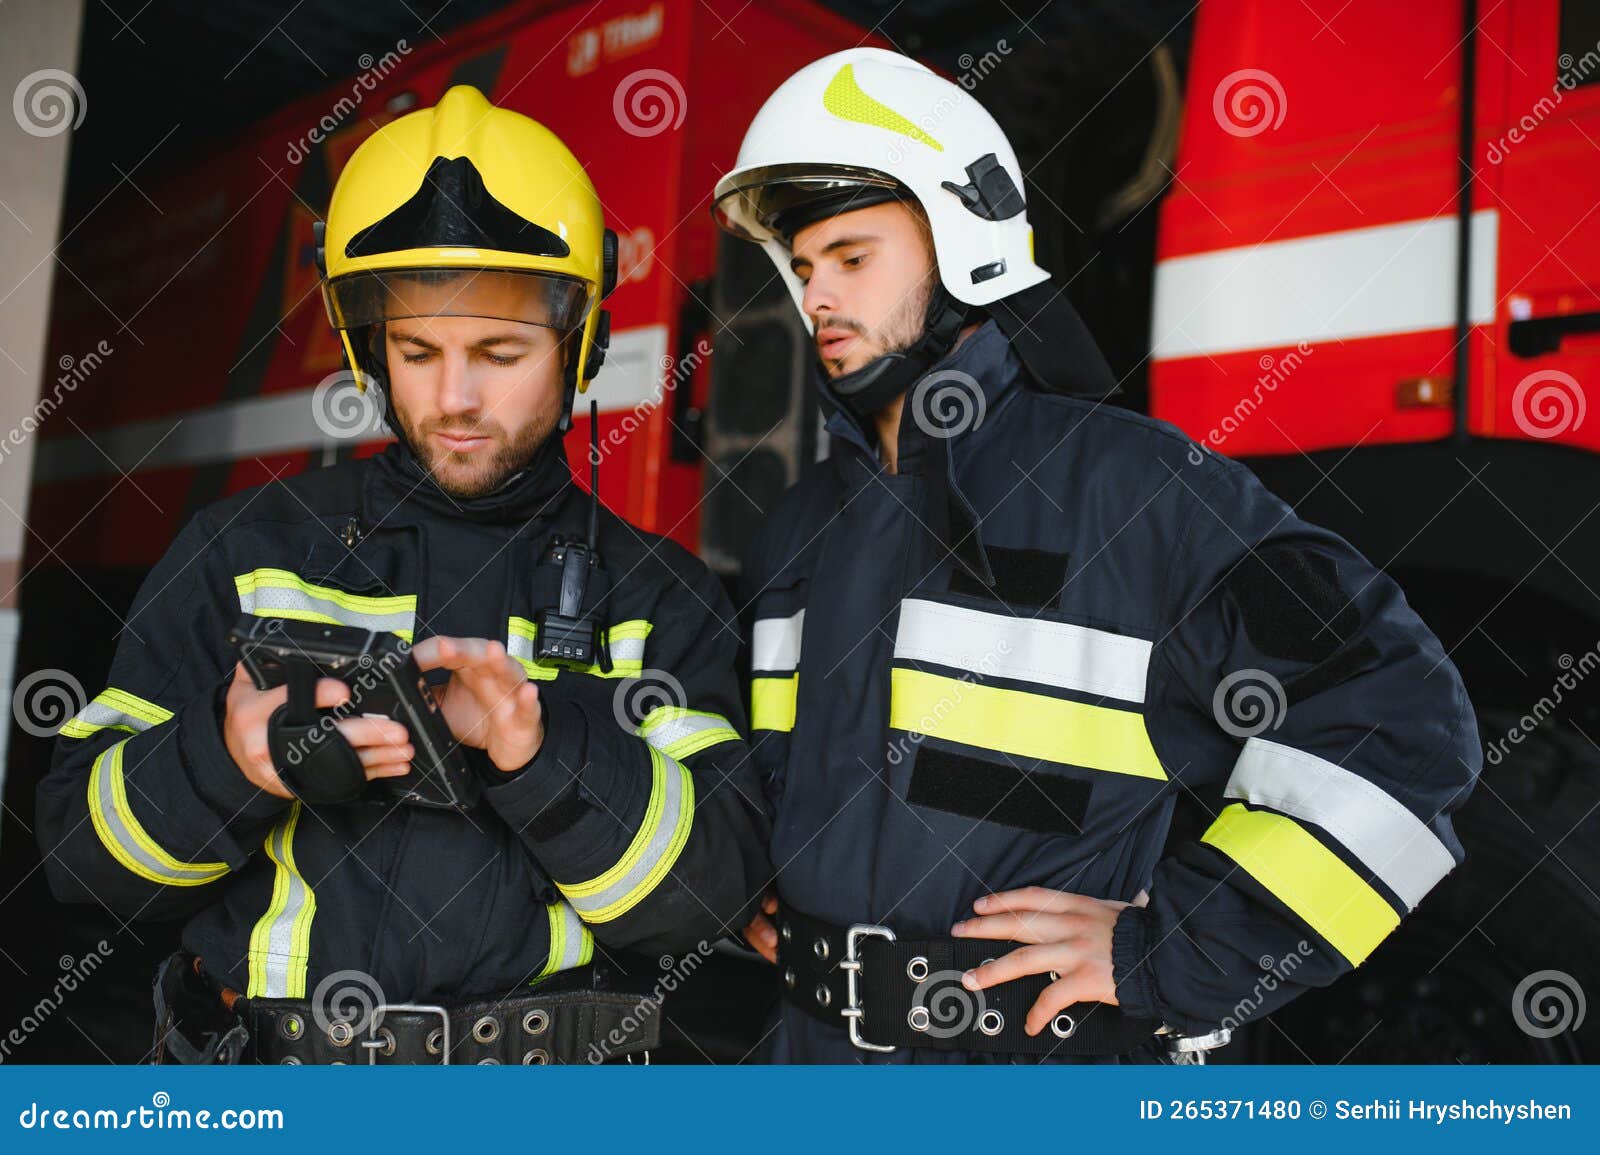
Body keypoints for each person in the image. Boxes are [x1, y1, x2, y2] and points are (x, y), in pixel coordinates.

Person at [713, 48, 1480, 1063]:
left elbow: (1398, 721)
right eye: (803, 269)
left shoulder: (1135, 492)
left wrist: (1177, 950)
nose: (817, 297)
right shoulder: (796, 528)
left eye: (853, 257)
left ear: (959, 248)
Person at [36, 85, 769, 1065]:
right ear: (365, 347)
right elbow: (81, 865)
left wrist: (538, 750)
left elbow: (701, 904)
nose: (455, 397)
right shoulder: (243, 552)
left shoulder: (654, 596)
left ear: (581, 343)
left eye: (500, 352)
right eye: (417, 351)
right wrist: (230, 762)